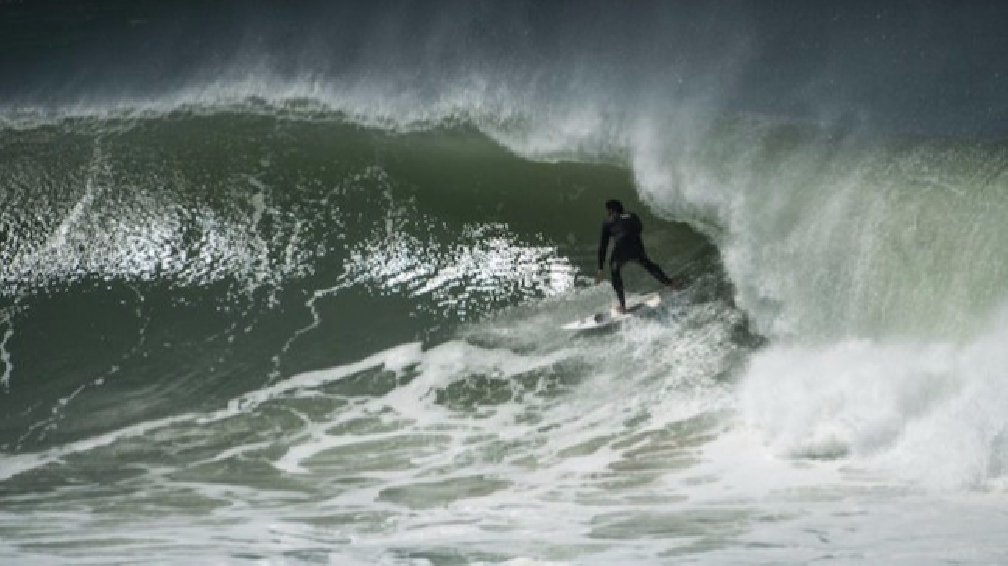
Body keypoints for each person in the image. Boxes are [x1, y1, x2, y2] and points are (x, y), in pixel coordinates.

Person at [596, 199, 676, 313]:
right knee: (647, 264)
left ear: (611, 210)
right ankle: (670, 283)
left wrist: (600, 268)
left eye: (607, 211)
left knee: (615, 272)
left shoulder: (608, 221)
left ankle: (623, 306)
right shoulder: (632, 215)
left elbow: (603, 246)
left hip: (621, 250)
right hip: (636, 246)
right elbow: (639, 228)